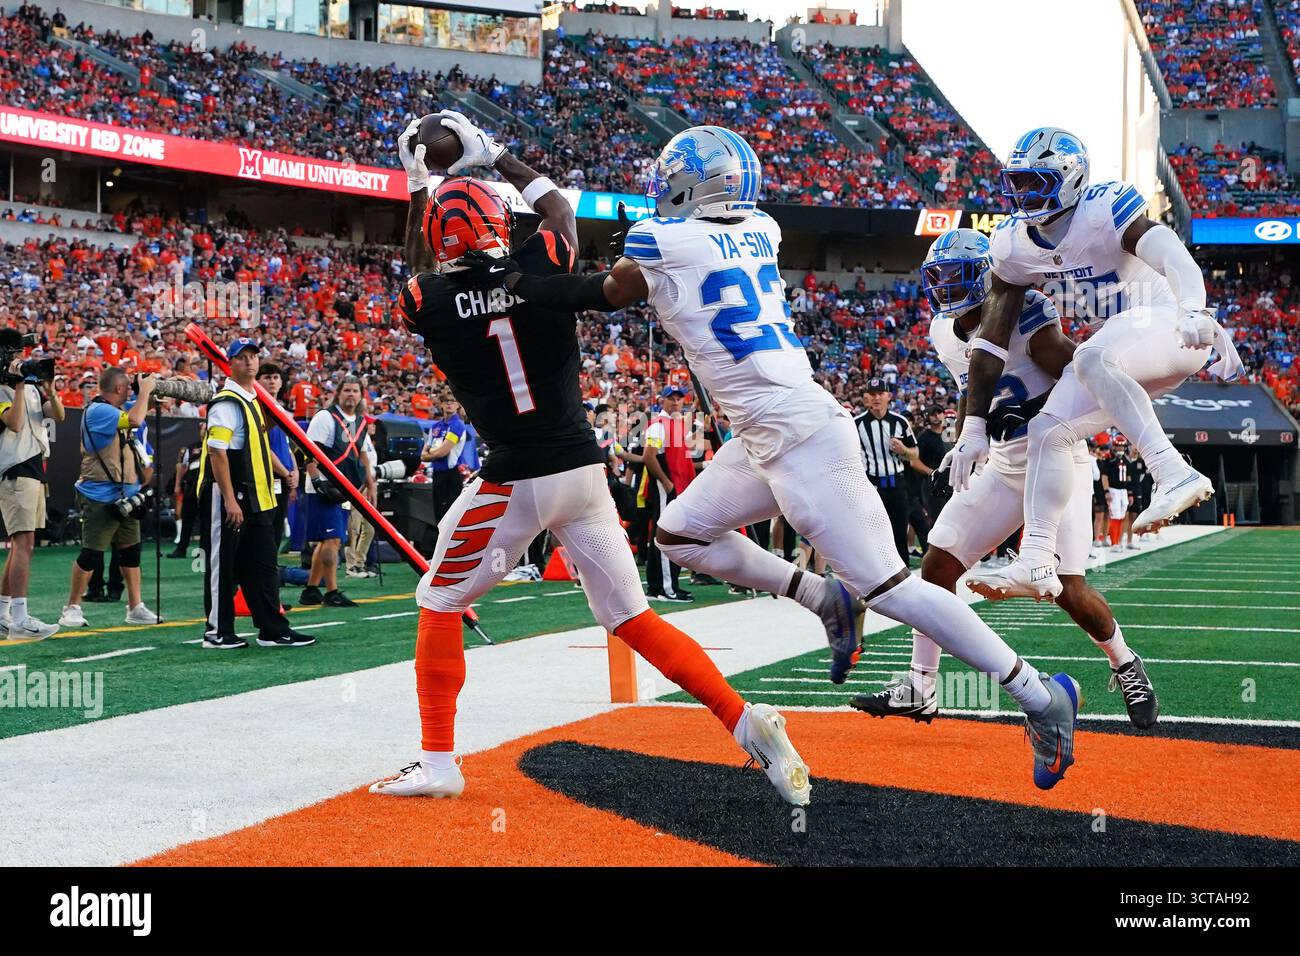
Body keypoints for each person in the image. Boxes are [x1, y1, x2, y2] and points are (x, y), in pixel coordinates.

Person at [455, 122, 1084, 789]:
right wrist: (503, 164)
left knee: (894, 588)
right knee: (680, 533)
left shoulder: (663, 240)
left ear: (697, 185)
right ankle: (822, 598)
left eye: (673, 178)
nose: (661, 189)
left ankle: (1040, 696)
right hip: (766, 431)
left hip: (800, 435)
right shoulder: (762, 228)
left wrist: (507, 276)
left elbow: (596, 292)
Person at [368, 112, 811, 806]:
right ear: (497, 224)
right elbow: (558, 211)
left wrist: (421, 180)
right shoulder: (540, 265)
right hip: (582, 470)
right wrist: (502, 155)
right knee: (631, 617)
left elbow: (423, 263)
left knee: (438, 599)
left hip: (515, 476)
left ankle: (437, 762)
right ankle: (743, 720)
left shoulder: (428, 297)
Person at [853, 228, 1156, 728]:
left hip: (1056, 461)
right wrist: (960, 443)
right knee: (937, 567)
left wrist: (1040, 411)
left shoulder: (1027, 314)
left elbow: (1079, 375)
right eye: (940, 278)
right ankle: (921, 687)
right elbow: (970, 389)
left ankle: (1124, 661)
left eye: (958, 277)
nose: (947, 289)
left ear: (987, 277)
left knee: (1067, 588)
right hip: (1003, 464)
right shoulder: (941, 331)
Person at [960, 127, 1242, 601]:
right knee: (1047, 430)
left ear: (1070, 179)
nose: (1024, 193)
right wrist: (971, 425)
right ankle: (1036, 558)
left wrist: (1195, 307)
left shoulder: (1103, 209)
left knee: (1091, 355)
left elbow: (1174, 254)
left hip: (1175, 326)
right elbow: (991, 340)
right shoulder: (1012, 244)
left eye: (1036, 182)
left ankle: (1173, 472)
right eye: (1020, 182)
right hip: (1121, 350)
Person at [197, 339, 313, 649]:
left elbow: (259, 435)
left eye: (253, 357)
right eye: (242, 358)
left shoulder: (251, 400)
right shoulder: (227, 402)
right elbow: (217, 453)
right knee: (224, 565)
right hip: (232, 493)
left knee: (263, 565)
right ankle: (217, 631)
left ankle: (272, 629)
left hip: (258, 495)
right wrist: (230, 498)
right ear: (230, 363)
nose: (249, 362)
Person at [59, 368, 159, 628]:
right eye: (126, 388)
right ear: (117, 389)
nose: (129, 392)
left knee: (130, 552)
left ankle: (135, 606)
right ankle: (72, 606)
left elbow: (138, 413)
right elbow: (135, 420)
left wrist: (144, 389)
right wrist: (145, 392)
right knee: (92, 553)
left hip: (125, 492)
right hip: (99, 493)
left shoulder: (115, 408)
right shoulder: (98, 411)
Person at [0, 361, 63, 640]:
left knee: (22, 546)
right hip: (15, 467)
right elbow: (13, 423)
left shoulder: (34, 390)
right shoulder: (3, 390)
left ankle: (3, 614)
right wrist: (19, 385)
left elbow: (57, 417)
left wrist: (50, 391)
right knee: (23, 544)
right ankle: (20, 620)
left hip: (35, 466)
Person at [301, 377, 367, 608]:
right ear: (338, 393)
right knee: (332, 539)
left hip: (344, 487)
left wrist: (368, 482)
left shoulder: (360, 421)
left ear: (361, 395)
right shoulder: (325, 417)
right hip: (325, 486)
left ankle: (311, 589)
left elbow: (361, 453)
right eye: (346, 390)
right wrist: (316, 480)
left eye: (355, 391)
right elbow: (309, 450)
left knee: (331, 540)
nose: (351, 394)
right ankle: (331, 591)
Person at [639, 385, 695, 602]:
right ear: (663, 400)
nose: (676, 402)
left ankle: (655, 586)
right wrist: (666, 482)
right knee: (666, 534)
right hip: (668, 485)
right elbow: (649, 456)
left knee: (660, 534)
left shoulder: (677, 424)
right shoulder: (659, 425)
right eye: (671, 398)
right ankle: (666, 588)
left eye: (679, 399)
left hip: (676, 485)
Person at [853, 378, 916, 564]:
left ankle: (903, 579)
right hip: (872, 486)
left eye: (880, 393)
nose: (876, 398)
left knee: (899, 534)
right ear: (866, 397)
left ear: (889, 396)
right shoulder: (857, 424)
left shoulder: (900, 421)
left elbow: (914, 455)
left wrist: (903, 450)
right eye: (872, 394)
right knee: (873, 535)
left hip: (897, 484)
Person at [255, 362, 298, 551]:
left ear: (281, 382)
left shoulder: (282, 411)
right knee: (267, 527)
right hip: (268, 477)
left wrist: (295, 470)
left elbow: (287, 447)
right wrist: (286, 473)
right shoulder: (257, 408)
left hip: (283, 477)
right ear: (257, 381)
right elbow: (262, 447)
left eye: (275, 377)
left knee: (277, 527)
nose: (272, 381)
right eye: (267, 377)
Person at [168, 427, 204, 559]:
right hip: (191, 487)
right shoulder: (191, 448)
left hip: (207, 488)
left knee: (206, 520)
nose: (204, 431)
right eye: (202, 428)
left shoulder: (214, 446)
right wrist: (177, 485)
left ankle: (204, 550)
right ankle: (181, 548)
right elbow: (181, 466)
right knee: (187, 517)